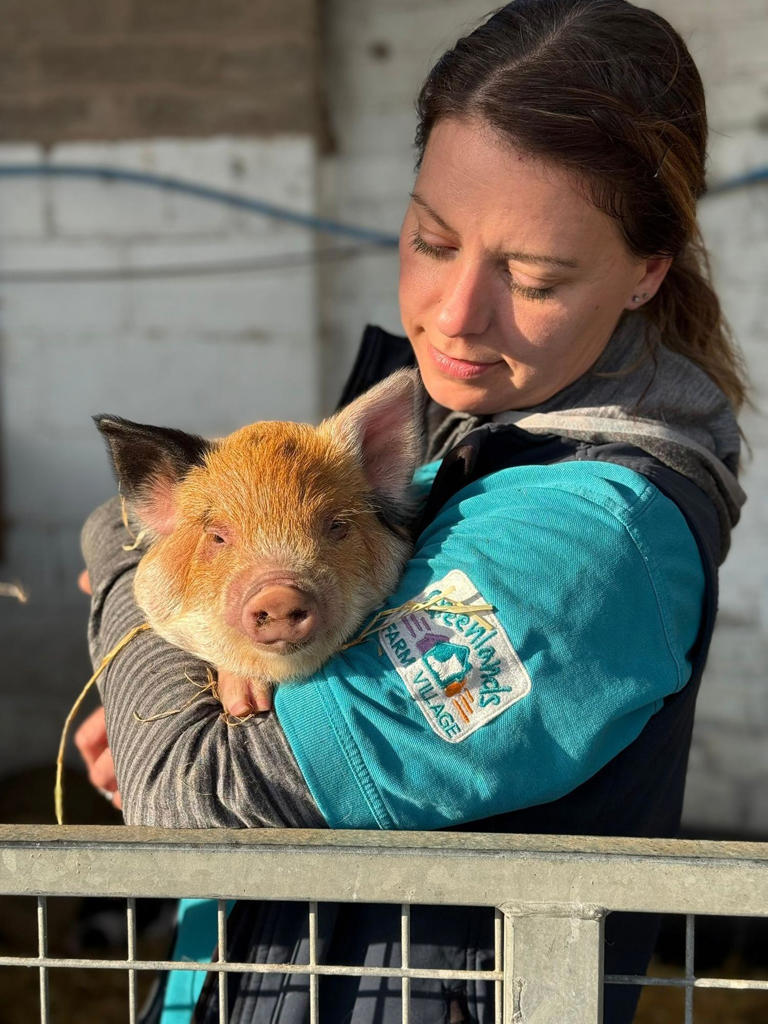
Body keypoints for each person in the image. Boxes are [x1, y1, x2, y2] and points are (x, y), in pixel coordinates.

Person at [76, 1, 747, 1020]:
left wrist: (150, 594)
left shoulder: (591, 542)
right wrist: (202, 661)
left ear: (647, 272)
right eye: (432, 239)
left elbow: (192, 797)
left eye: (532, 275)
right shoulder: (452, 418)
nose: (453, 314)